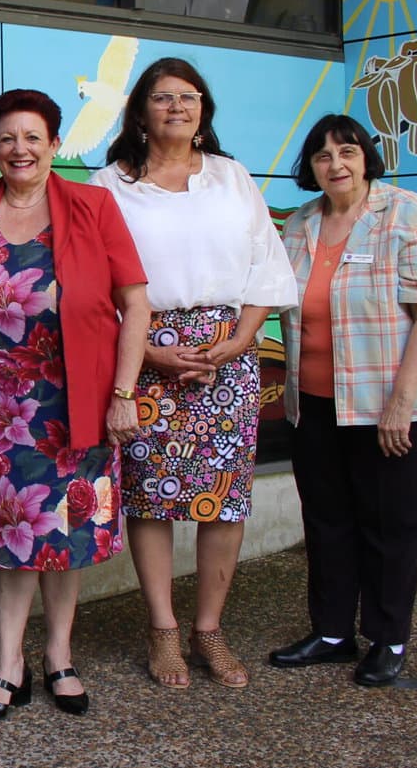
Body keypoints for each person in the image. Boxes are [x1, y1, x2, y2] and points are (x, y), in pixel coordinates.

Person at [0, 89, 148, 723]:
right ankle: (7, 665)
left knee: (65, 532)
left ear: (53, 144)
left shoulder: (93, 207)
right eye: (7, 139)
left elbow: (135, 303)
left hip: (73, 404)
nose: (19, 149)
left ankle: (59, 656)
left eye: (32, 137)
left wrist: (123, 394)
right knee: (8, 535)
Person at [88, 58, 298, 690]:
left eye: (189, 97)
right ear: (139, 112)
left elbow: (267, 264)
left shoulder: (231, 178)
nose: (176, 106)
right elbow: (93, 287)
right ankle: (163, 630)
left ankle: (210, 629)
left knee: (223, 499)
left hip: (226, 358)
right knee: (150, 497)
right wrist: (148, 352)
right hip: (144, 355)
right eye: (162, 97)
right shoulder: (108, 185)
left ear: (204, 109)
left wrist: (239, 340)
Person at [268, 114, 417, 688]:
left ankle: (388, 638)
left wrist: (400, 404)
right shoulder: (299, 224)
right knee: (326, 520)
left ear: (366, 157)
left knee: (390, 525)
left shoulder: (406, 213)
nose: (335, 165)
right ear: (311, 168)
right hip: (316, 403)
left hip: (389, 405)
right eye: (322, 156)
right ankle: (331, 632)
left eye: (346, 152)